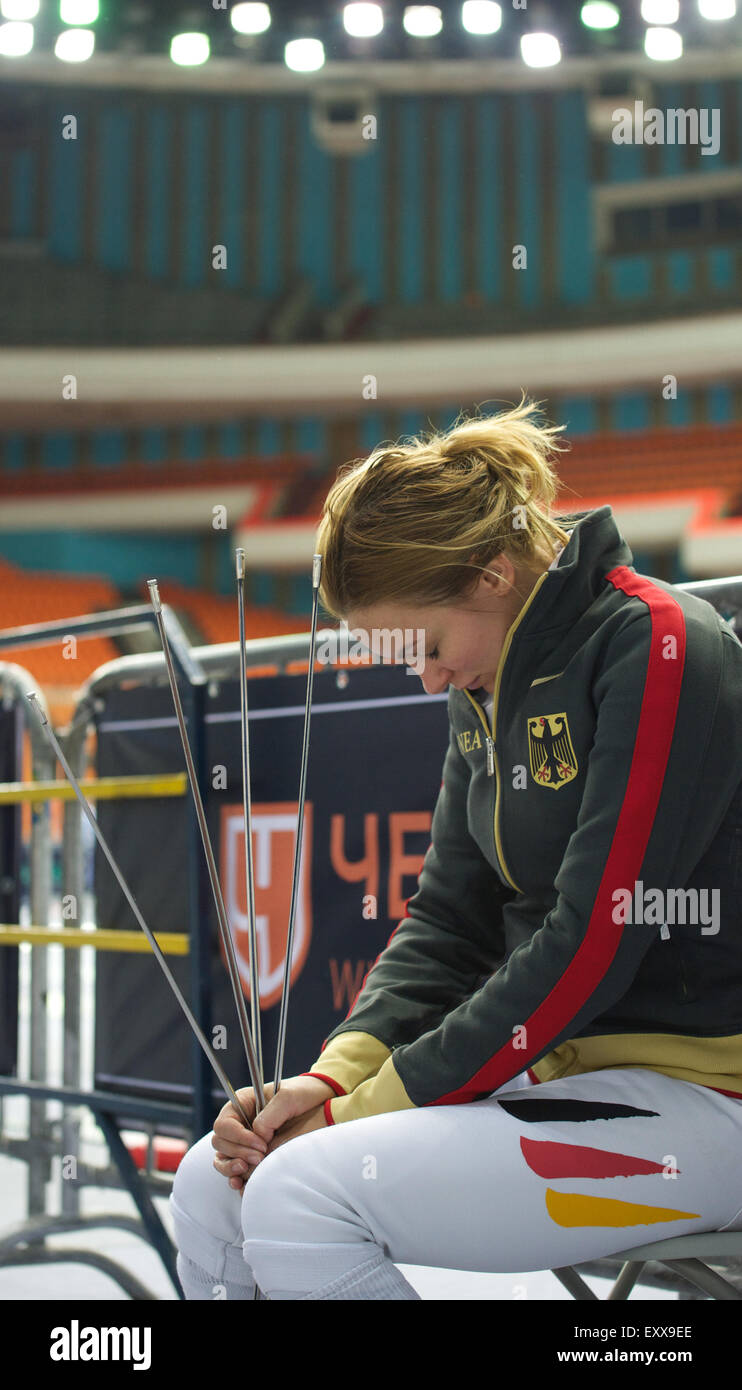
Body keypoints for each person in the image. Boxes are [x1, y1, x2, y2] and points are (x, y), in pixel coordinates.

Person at [170, 394, 742, 1300]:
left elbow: (592, 941)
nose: (427, 674)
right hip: (564, 1080)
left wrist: (364, 1112)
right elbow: (446, 921)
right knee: (210, 1184)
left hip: (711, 1098)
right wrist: (328, 1081)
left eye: (428, 644)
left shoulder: (661, 647)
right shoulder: (484, 687)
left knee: (303, 1197)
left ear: (491, 573)